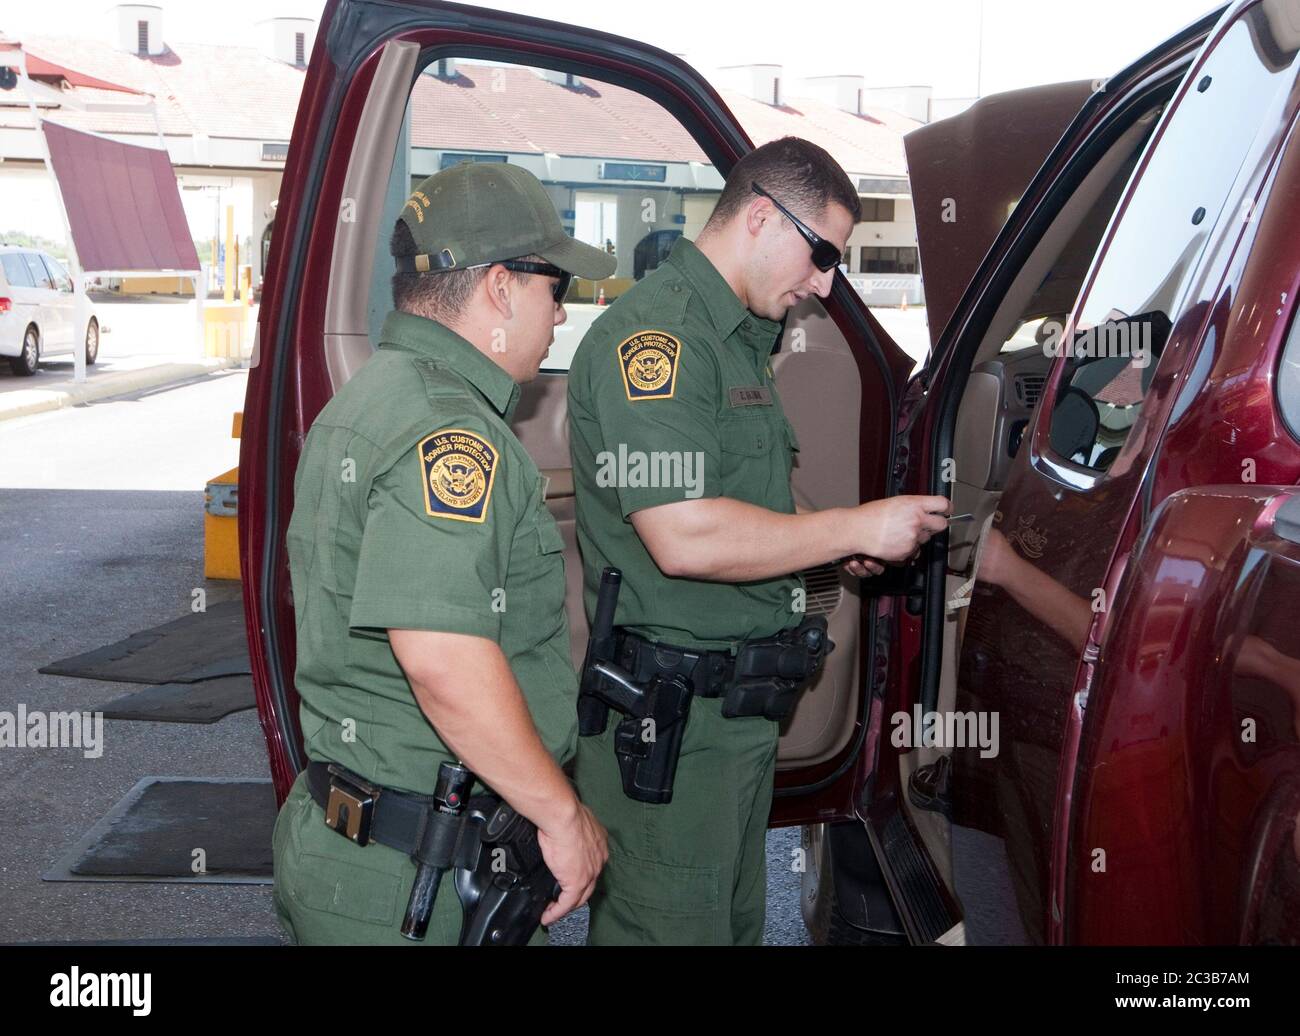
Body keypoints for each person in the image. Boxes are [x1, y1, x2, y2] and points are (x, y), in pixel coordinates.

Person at [566, 136, 950, 944]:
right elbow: (682, 535)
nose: (823, 284)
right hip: (674, 728)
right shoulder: (661, 343)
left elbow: (732, 506)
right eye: (821, 255)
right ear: (762, 216)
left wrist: (822, 544)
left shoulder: (734, 338)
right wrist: (853, 524)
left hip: (730, 723)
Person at [272, 162, 612, 945]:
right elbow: (442, 659)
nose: (560, 314)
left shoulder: (378, 396)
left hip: (368, 847)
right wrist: (561, 817)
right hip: (411, 880)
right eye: (553, 287)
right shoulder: (449, 434)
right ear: (500, 287)